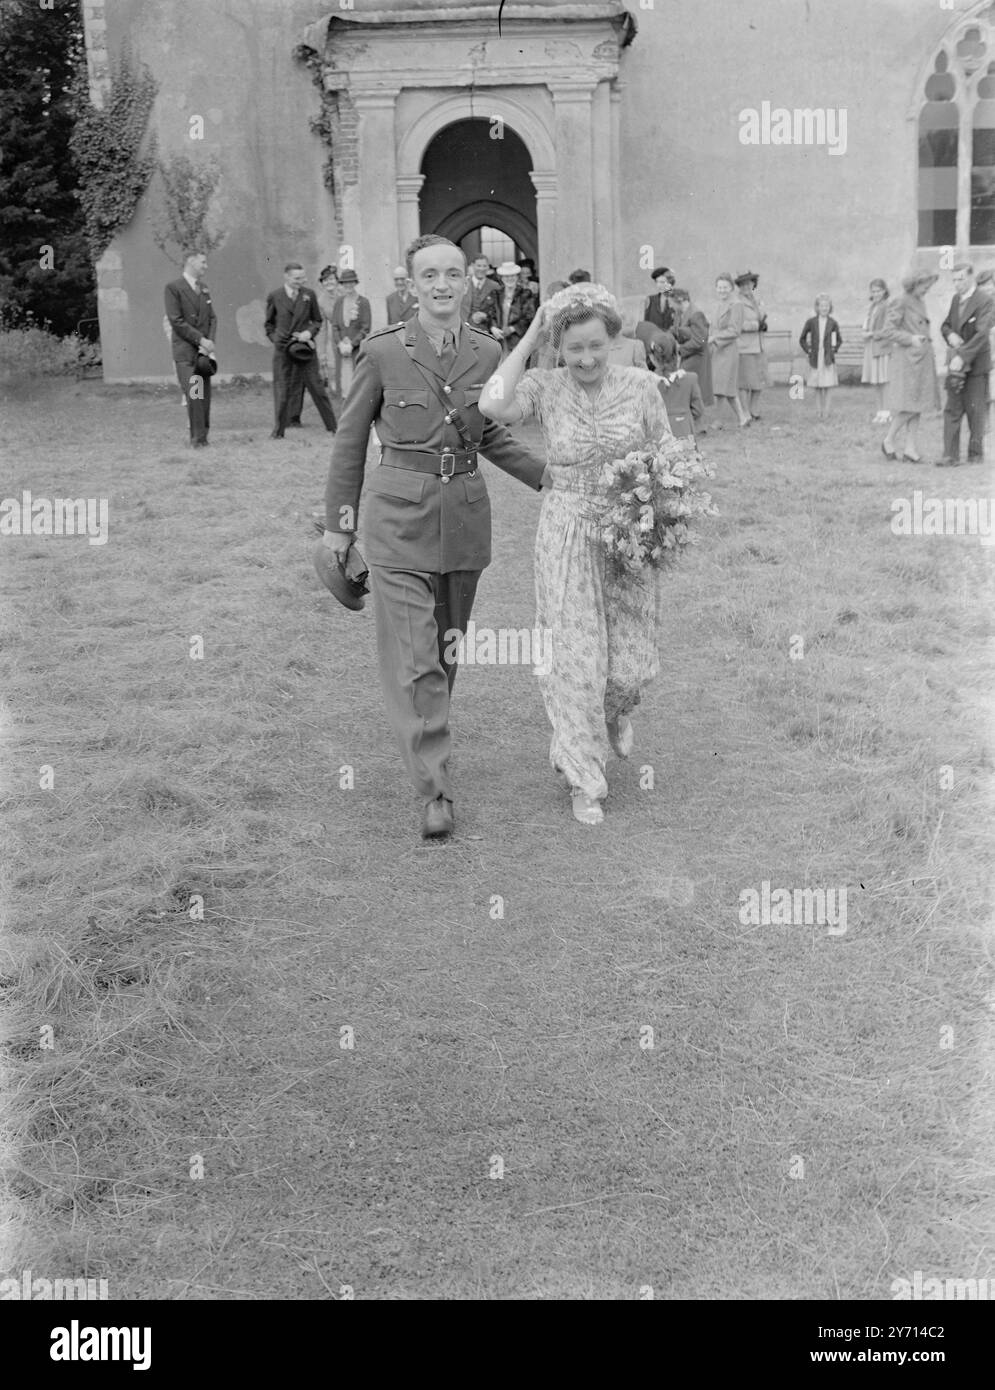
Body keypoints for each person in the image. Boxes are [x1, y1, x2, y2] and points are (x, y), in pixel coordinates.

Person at [321, 234, 547, 841]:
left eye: (453, 274)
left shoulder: (488, 350)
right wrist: (339, 531)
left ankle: (430, 742)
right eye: (430, 276)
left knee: (445, 654)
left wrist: (554, 482)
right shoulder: (383, 352)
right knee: (418, 658)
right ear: (411, 285)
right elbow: (348, 443)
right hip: (397, 522)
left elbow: (491, 437)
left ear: (465, 282)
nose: (443, 285)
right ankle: (434, 790)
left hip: (464, 520)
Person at [479, 281, 681, 828]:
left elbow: (669, 454)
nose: (586, 358)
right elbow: (491, 404)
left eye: (596, 345)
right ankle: (584, 777)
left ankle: (614, 714)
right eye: (573, 348)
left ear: (613, 340)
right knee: (574, 659)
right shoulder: (543, 386)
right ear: (558, 349)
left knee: (632, 666)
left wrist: (660, 513)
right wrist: (529, 337)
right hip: (566, 528)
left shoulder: (641, 386)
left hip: (627, 530)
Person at [265, 262, 338, 439]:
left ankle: (334, 428)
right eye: (297, 278)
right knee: (282, 391)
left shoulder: (309, 295)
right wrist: (277, 340)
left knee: (318, 388)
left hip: (304, 350)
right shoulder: (275, 296)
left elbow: (317, 321)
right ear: (287, 277)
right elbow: (269, 325)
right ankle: (279, 431)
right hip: (283, 351)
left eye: (302, 278)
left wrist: (308, 333)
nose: (300, 281)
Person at [938, 261, 993, 467]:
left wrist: (963, 356)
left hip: (976, 364)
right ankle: (949, 455)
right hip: (956, 365)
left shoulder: (984, 300)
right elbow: (945, 325)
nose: (957, 283)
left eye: (961, 279)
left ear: (970, 277)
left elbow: (982, 333)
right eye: (954, 280)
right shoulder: (955, 299)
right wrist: (950, 334)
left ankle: (975, 454)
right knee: (952, 408)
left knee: (975, 409)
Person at [881, 271, 940, 462]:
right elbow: (888, 331)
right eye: (925, 285)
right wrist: (910, 339)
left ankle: (910, 448)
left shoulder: (919, 300)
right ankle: (889, 440)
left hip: (921, 359)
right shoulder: (900, 301)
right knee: (911, 404)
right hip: (907, 360)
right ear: (914, 284)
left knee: (918, 404)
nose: (928, 289)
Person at [164, 249, 216, 448]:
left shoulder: (204, 288)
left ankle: (203, 436)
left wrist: (209, 343)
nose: (206, 266)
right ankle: (198, 438)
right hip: (186, 353)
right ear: (191, 262)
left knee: (205, 396)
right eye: (203, 262)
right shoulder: (173, 288)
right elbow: (176, 320)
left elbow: (212, 318)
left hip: (203, 353)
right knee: (195, 394)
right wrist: (201, 340)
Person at [649, 331, 704, 448]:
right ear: (677, 356)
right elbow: (698, 410)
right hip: (685, 437)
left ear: (653, 359)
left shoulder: (649, 382)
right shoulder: (690, 379)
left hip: (659, 438)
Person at [709, 273, 750, 427]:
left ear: (731, 288)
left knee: (727, 387)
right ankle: (735, 418)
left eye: (725, 287)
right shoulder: (718, 304)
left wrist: (715, 338)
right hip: (718, 350)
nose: (722, 290)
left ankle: (741, 417)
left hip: (728, 350)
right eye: (719, 287)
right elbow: (713, 327)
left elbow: (735, 331)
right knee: (720, 386)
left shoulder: (736, 305)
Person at [800, 294, 843, 420]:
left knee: (828, 385)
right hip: (815, 357)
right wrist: (808, 351)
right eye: (821, 306)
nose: (824, 308)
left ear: (830, 308)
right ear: (817, 307)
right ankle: (819, 411)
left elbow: (838, 340)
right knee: (818, 386)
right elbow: (802, 339)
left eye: (827, 306)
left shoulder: (833, 323)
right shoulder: (811, 322)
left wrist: (833, 349)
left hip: (827, 358)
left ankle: (827, 411)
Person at [331, 268, 372, 398]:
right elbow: (335, 325)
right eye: (345, 283)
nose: (348, 285)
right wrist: (340, 343)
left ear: (355, 283)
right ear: (342, 284)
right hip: (342, 350)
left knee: (357, 386)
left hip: (356, 350)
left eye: (351, 282)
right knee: (343, 384)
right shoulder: (339, 302)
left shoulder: (363, 302)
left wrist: (352, 344)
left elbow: (366, 328)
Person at [669, 287, 713, 408]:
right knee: (686, 387)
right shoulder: (679, 313)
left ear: (680, 300)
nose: (671, 306)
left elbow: (702, 339)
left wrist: (680, 349)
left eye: (672, 303)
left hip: (697, 357)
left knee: (690, 387)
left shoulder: (696, 314)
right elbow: (677, 330)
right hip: (688, 355)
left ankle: (695, 419)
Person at [735, 271, 767, 420]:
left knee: (759, 380)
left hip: (759, 346)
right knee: (744, 382)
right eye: (743, 284)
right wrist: (756, 325)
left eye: (749, 283)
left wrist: (763, 324)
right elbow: (737, 324)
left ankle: (754, 410)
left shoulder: (757, 300)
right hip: (745, 347)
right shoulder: (737, 302)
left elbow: (762, 318)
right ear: (739, 287)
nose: (747, 287)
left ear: (754, 284)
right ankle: (745, 411)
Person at [861, 278, 892, 423]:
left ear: (884, 291)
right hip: (871, 347)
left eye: (878, 291)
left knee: (884, 380)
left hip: (882, 346)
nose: (876, 294)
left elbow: (888, 330)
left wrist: (872, 334)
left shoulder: (887, 306)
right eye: (873, 291)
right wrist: (865, 331)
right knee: (876, 381)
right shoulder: (872, 307)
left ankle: (887, 412)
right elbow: (867, 325)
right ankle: (880, 411)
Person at [491, 260, 537, 354]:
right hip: (499, 339)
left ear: (517, 277)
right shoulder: (496, 294)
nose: (509, 279)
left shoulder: (526, 294)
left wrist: (513, 329)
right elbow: (490, 313)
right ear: (502, 278)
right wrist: (493, 328)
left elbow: (530, 317)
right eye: (506, 276)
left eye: (512, 276)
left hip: (518, 339)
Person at [461, 254, 501, 332]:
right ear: (472, 265)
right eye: (479, 266)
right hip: (464, 328)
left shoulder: (495, 286)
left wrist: (486, 316)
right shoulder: (463, 283)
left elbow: (498, 311)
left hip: (487, 330)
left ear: (488, 267)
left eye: (484, 266)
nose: (482, 269)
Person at [641, 267, 675, 333]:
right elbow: (646, 324)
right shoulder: (650, 300)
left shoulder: (678, 300)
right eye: (657, 282)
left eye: (662, 282)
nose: (658, 285)